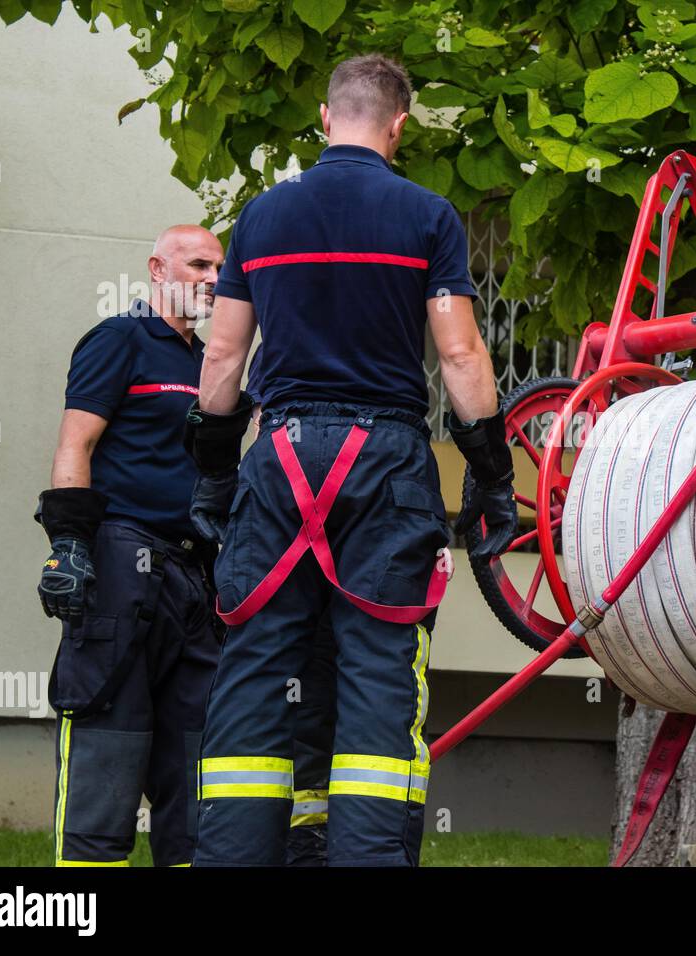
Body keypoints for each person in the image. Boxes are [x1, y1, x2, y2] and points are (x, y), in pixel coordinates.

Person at [185, 53, 515, 867]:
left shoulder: (262, 218)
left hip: (282, 454)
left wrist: (216, 476)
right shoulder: (427, 216)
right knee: (377, 672)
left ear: (326, 119)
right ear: (398, 127)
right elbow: (463, 355)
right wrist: (493, 472)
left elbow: (223, 363)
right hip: (388, 463)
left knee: (255, 669)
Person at [35, 225, 225, 866]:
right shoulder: (119, 339)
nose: (213, 278)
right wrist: (68, 545)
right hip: (120, 565)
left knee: (196, 762)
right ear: (157, 268)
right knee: (107, 753)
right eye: (198, 263)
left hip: (194, 577)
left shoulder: (210, 366)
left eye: (220, 267)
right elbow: (74, 445)